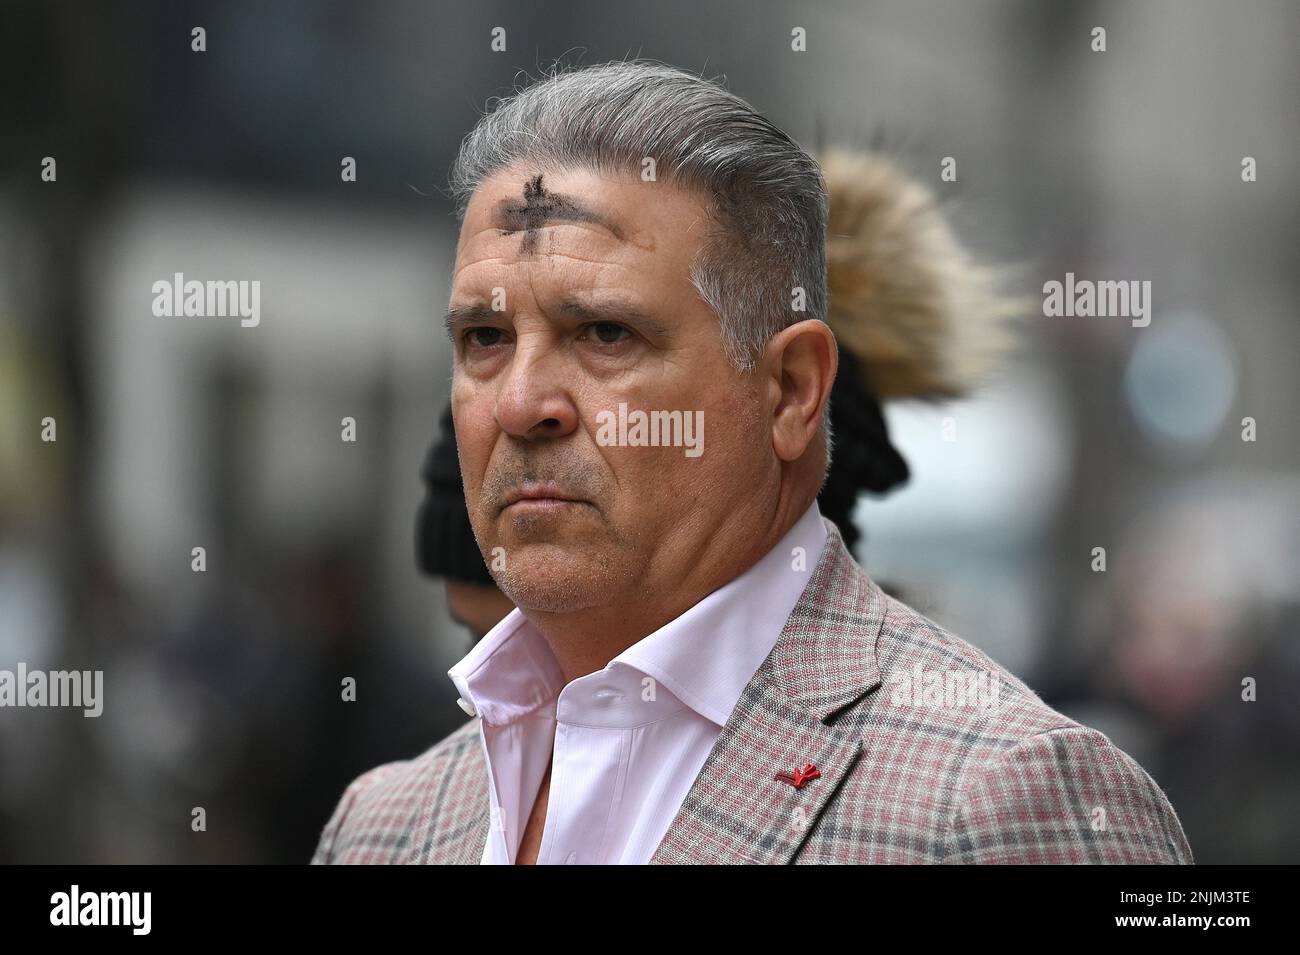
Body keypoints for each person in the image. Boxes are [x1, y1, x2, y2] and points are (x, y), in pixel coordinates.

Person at [313, 59, 1192, 864]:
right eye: (485, 338)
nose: (520, 402)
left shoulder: (1001, 800)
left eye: (606, 333)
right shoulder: (385, 827)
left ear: (790, 391)